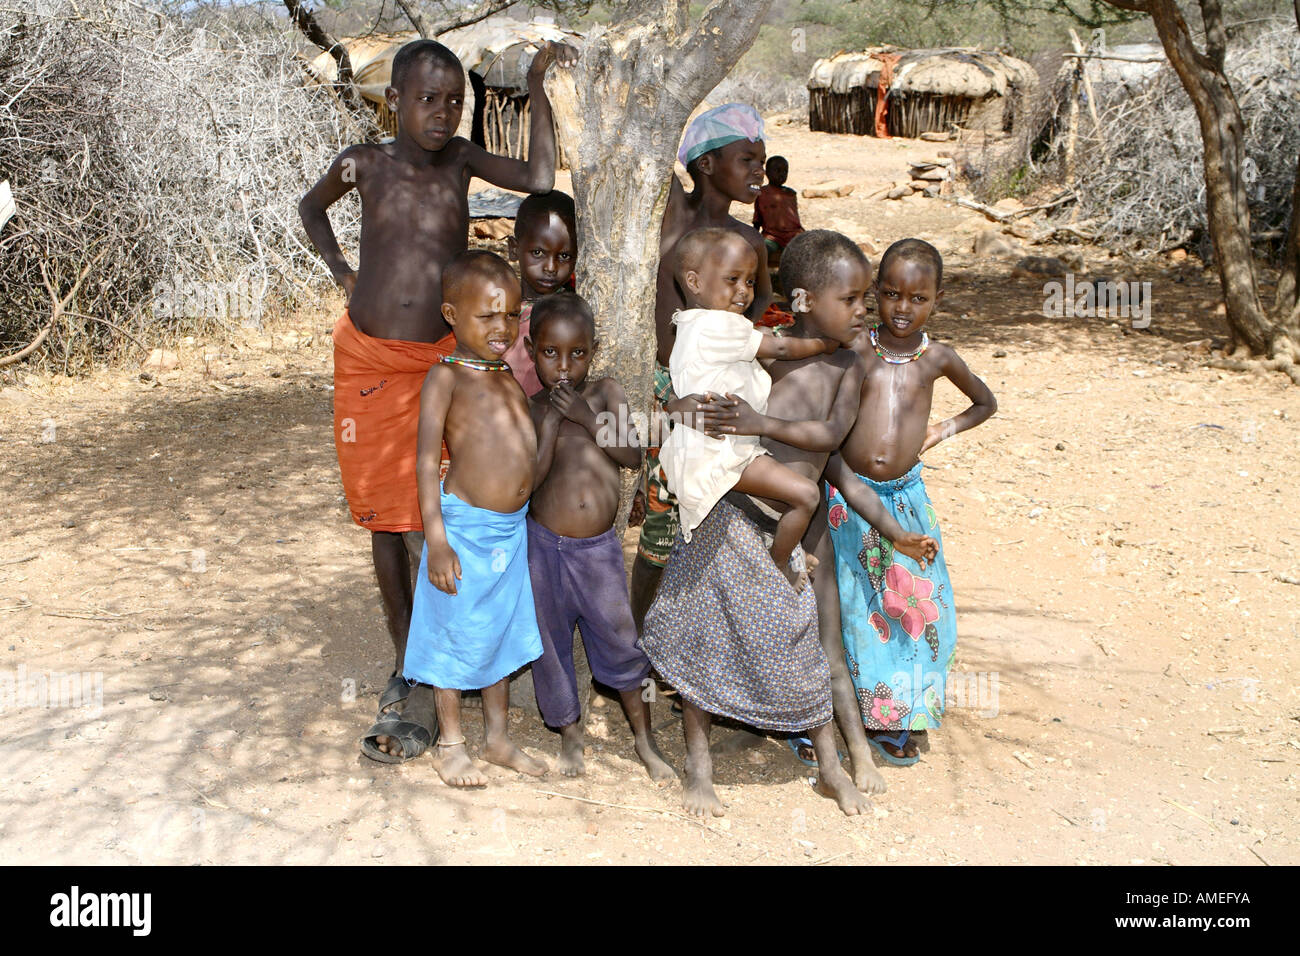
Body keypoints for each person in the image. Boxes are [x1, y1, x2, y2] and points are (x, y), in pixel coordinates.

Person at [298, 37, 574, 727]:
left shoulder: (459, 160)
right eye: (427, 99)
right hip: (369, 363)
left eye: (454, 101)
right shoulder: (361, 163)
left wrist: (536, 85)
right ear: (391, 102)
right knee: (384, 519)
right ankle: (406, 659)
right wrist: (339, 269)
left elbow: (541, 174)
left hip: (441, 363)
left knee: (445, 510)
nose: (443, 113)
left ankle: (457, 652)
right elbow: (309, 208)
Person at [643, 230, 936, 815]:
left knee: (812, 643)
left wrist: (892, 530)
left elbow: (831, 448)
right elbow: (698, 391)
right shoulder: (757, 349)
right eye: (851, 300)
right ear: (805, 301)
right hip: (733, 506)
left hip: (799, 524)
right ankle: (699, 769)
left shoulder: (853, 364)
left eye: (864, 299)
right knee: (706, 636)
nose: (865, 311)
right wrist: (677, 408)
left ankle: (839, 762)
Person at [362, 251, 548, 786]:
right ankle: (451, 743)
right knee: (453, 634)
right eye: (487, 315)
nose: (502, 326)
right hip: (464, 529)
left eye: (511, 315)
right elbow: (425, 461)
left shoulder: (508, 375)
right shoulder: (445, 377)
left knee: (499, 634)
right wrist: (436, 540)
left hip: (509, 533)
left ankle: (497, 739)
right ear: (451, 314)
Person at [826, 238, 997, 765]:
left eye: (918, 299)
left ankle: (900, 712)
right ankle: (845, 710)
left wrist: (943, 427)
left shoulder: (937, 359)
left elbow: (986, 402)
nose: (903, 308)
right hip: (847, 500)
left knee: (913, 605)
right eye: (892, 294)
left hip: (904, 500)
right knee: (853, 605)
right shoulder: (857, 349)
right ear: (877, 292)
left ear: (937, 299)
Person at [630, 103, 772, 634]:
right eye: (746, 160)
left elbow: (756, 327)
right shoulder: (668, 209)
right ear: (708, 164)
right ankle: (634, 636)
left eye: (762, 160)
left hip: (711, 397)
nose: (759, 171)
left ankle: (694, 638)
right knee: (660, 530)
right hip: (662, 386)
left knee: (712, 514)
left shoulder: (749, 243)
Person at [522, 294, 675, 782]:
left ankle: (644, 741)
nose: (565, 367)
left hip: (598, 551)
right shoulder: (530, 407)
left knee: (621, 640)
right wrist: (551, 421)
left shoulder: (606, 392)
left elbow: (632, 456)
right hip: (543, 548)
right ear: (531, 349)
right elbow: (530, 479)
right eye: (551, 353)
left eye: (578, 353)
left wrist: (586, 420)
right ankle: (570, 734)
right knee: (550, 645)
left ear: (594, 349)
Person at [660, 227, 838, 588]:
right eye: (732, 280)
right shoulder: (719, 326)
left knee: (783, 497)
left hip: (707, 448)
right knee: (805, 495)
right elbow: (782, 349)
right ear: (694, 281)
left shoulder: (691, 326)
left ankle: (784, 550)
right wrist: (825, 343)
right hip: (720, 454)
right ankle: (777, 568)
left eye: (750, 281)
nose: (744, 291)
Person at [502, 191, 578, 396]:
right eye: (538, 253)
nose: (551, 267)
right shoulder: (496, 309)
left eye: (564, 256)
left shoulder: (574, 314)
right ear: (514, 249)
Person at [752, 155, 804, 255]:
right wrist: (754, 237)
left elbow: (794, 219)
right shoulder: (761, 193)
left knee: (805, 251)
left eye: (785, 171)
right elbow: (757, 219)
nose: (782, 174)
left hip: (793, 235)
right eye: (778, 170)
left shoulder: (790, 194)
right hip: (772, 236)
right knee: (761, 251)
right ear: (767, 173)